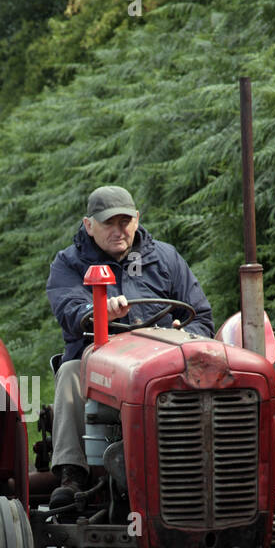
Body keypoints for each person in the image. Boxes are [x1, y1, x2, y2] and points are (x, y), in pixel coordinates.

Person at [45, 185, 215, 509]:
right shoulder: (69, 264)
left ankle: (204, 467)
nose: (118, 230)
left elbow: (201, 316)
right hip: (99, 359)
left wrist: (187, 330)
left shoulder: (165, 258)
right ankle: (73, 473)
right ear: (88, 225)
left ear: (137, 220)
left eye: (125, 221)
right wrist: (98, 313)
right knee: (70, 373)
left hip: (162, 360)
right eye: (109, 223)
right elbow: (69, 309)